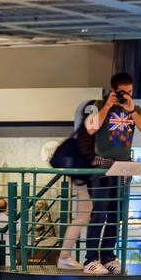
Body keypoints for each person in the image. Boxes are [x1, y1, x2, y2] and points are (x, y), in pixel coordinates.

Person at [81, 72, 141, 275]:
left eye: (130, 91)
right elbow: (90, 129)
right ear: (113, 90)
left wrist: (132, 111)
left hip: (124, 168)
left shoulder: (135, 109)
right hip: (102, 167)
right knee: (99, 213)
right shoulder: (98, 104)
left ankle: (108, 256)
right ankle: (90, 259)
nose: (127, 95)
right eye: (123, 92)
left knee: (115, 215)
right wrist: (107, 106)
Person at [58, 98, 97, 270]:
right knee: (82, 217)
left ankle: (65, 256)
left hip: (81, 180)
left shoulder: (82, 130)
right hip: (84, 181)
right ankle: (64, 256)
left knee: (83, 217)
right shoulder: (90, 131)